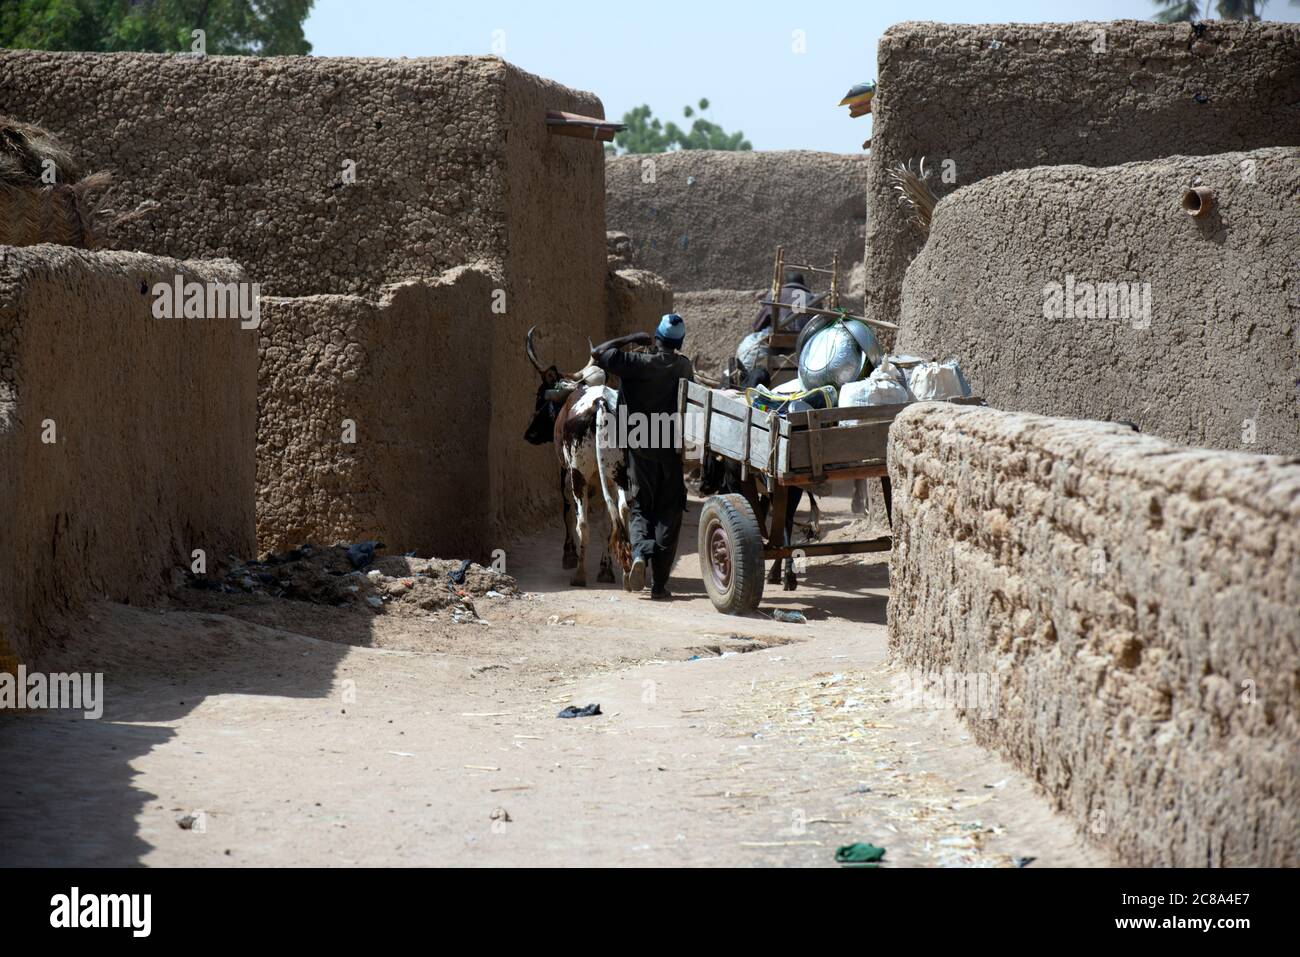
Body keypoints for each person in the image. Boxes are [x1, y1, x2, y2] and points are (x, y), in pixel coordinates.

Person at [590, 314, 694, 599]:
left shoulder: (635, 364)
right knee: (668, 515)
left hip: (639, 450)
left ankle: (639, 554)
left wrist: (632, 337)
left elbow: (598, 353)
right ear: (680, 342)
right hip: (670, 453)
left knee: (640, 510)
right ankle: (659, 585)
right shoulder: (684, 366)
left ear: (656, 339)